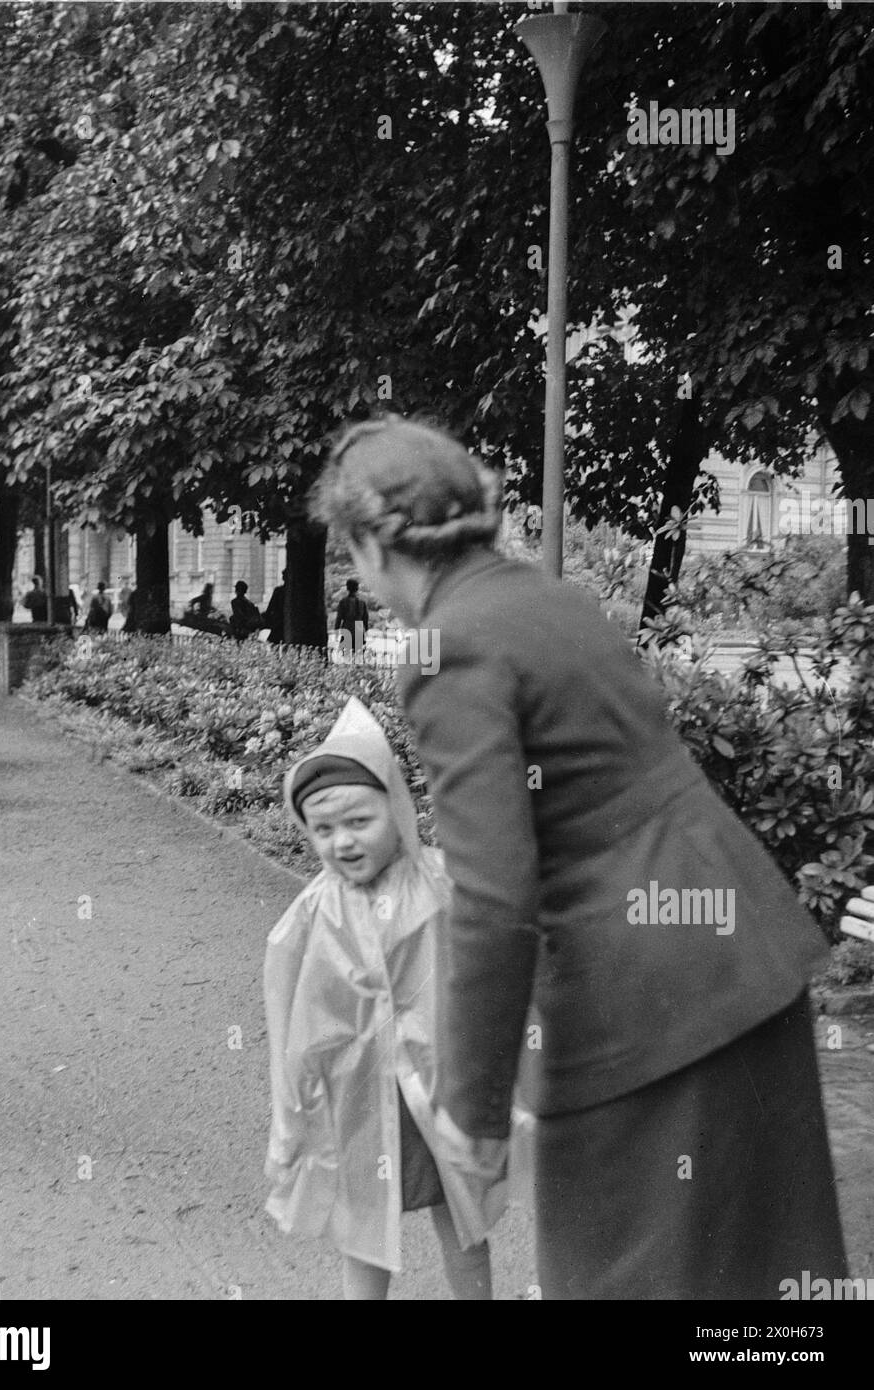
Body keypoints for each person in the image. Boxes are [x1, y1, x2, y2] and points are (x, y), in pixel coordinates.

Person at [312, 414, 848, 1301]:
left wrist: (472, 1113)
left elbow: (492, 895)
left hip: (639, 1004)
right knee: (760, 1282)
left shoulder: (446, 649)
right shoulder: (548, 599)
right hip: (743, 956)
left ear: (373, 544)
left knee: (625, 1275)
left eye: (352, 556)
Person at [264, 696, 505, 1300]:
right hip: (359, 1095)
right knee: (362, 1227)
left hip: (441, 1087)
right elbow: (289, 1020)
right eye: (323, 828)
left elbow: (499, 967)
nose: (341, 842)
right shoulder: (309, 917)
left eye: (358, 821)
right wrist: (291, 1111)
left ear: (395, 809)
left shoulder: (445, 886)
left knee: (464, 1217)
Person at [334, 578, 370, 657]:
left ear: (347, 588)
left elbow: (339, 618)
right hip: (359, 629)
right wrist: (366, 631)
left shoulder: (343, 602)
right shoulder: (362, 603)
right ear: (357, 588)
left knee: (346, 656)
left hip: (347, 627)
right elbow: (366, 619)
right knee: (358, 656)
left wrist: (336, 631)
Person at [261, 569, 287, 645]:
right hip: (283, 621)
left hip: (278, 621)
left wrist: (266, 619)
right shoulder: (291, 592)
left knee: (275, 642)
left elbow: (271, 607)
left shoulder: (278, 591)